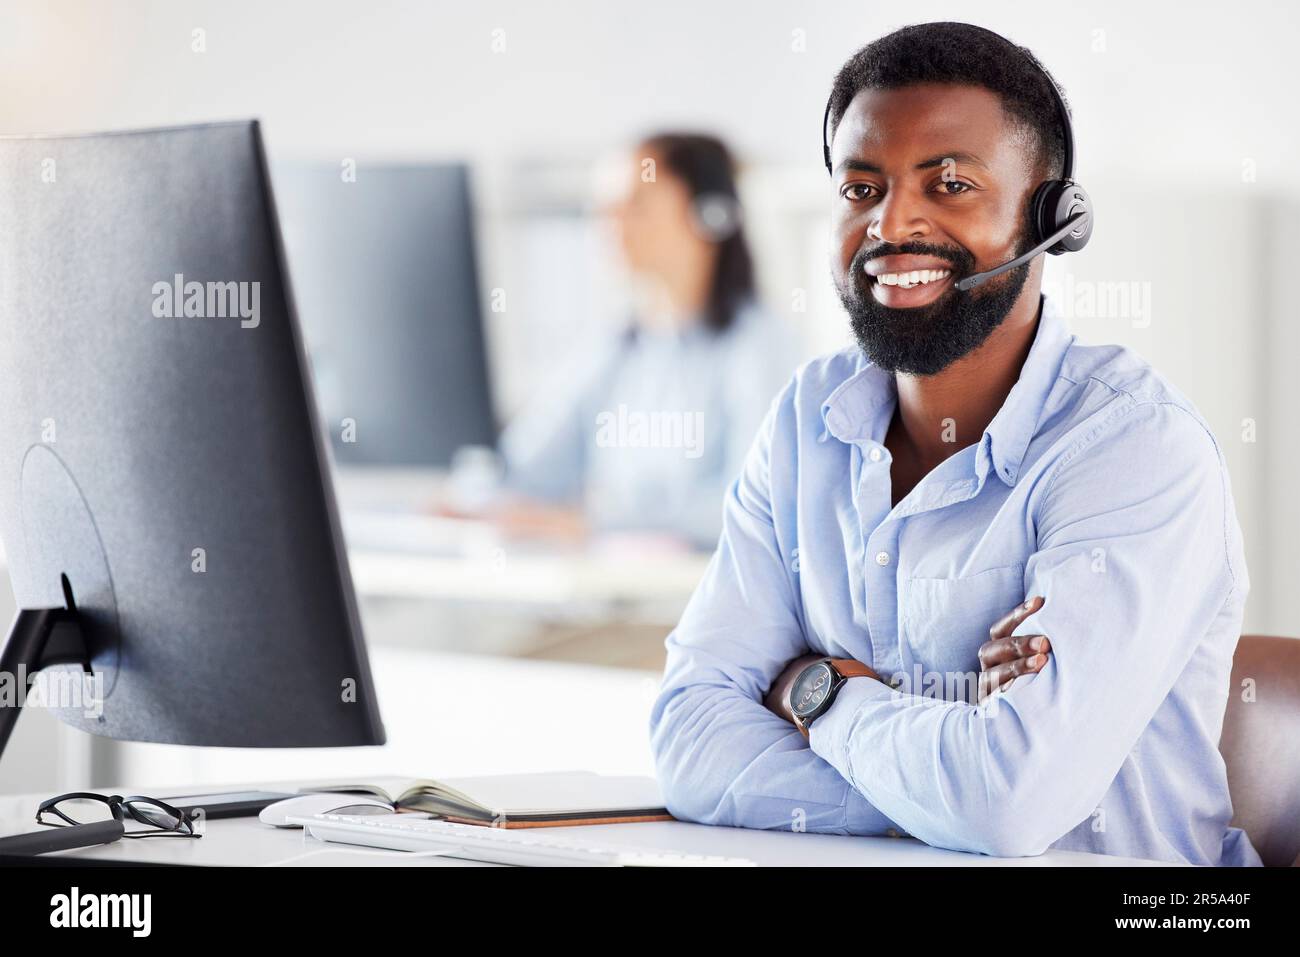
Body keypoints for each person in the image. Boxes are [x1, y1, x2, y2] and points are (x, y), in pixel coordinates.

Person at [650, 21, 1261, 866]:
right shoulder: (806, 420)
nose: (892, 225)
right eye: (862, 189)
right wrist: (946, 774)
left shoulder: (1135, 449)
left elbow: (1010, 804)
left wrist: (818, 693)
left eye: (949, 185)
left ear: (1052, 215)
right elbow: (688, 743)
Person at [492, 133, 795, 550]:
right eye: (604, 209)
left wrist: (595, 521)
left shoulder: (760, 346)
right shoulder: (618, 344)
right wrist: (473, 496)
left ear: (709, 215)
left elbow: (755, 503)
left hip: (698, 601)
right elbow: (527, 470)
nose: (610, 225)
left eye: (635, 206)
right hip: (607, 599)